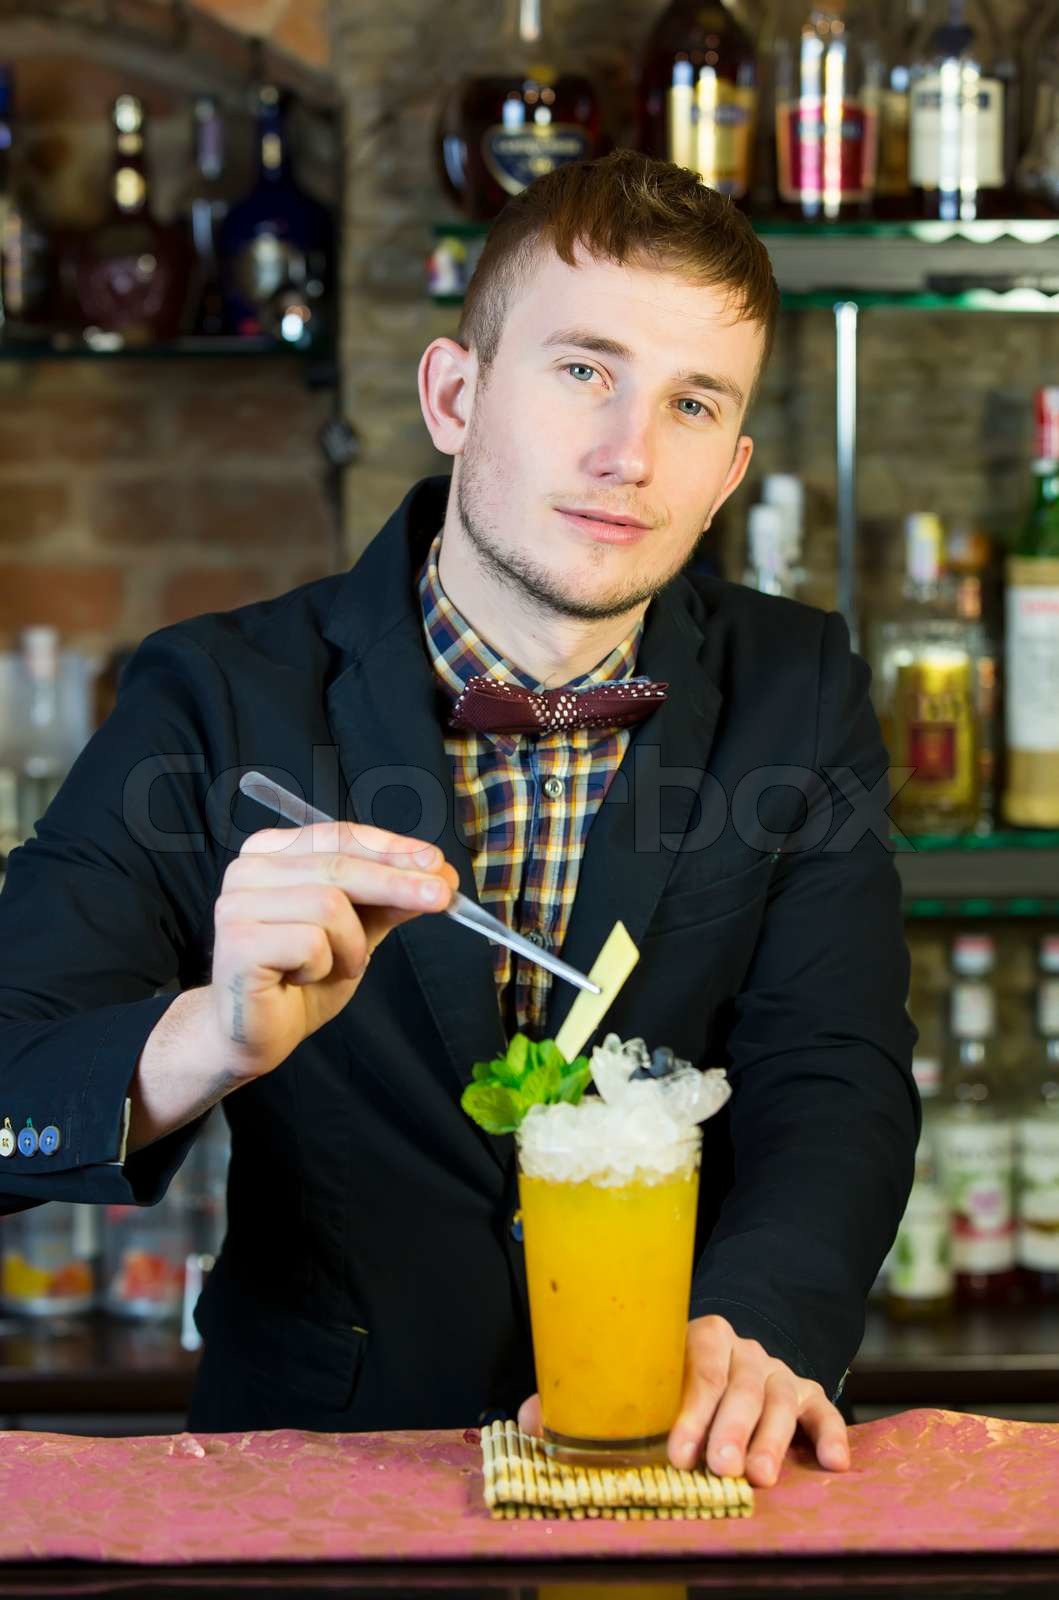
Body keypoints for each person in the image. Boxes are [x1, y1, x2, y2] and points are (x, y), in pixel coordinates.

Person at [0, 150, 918, 1489]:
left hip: (675, 1457)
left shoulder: (804, 683)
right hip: (313, 1473)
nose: (629, 454)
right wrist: (209, 1036)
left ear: (729, 474)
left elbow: (834, 1068)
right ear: (455, 392)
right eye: (584, 370)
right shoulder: (215, 695)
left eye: (692, 401)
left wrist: (763, 1324)